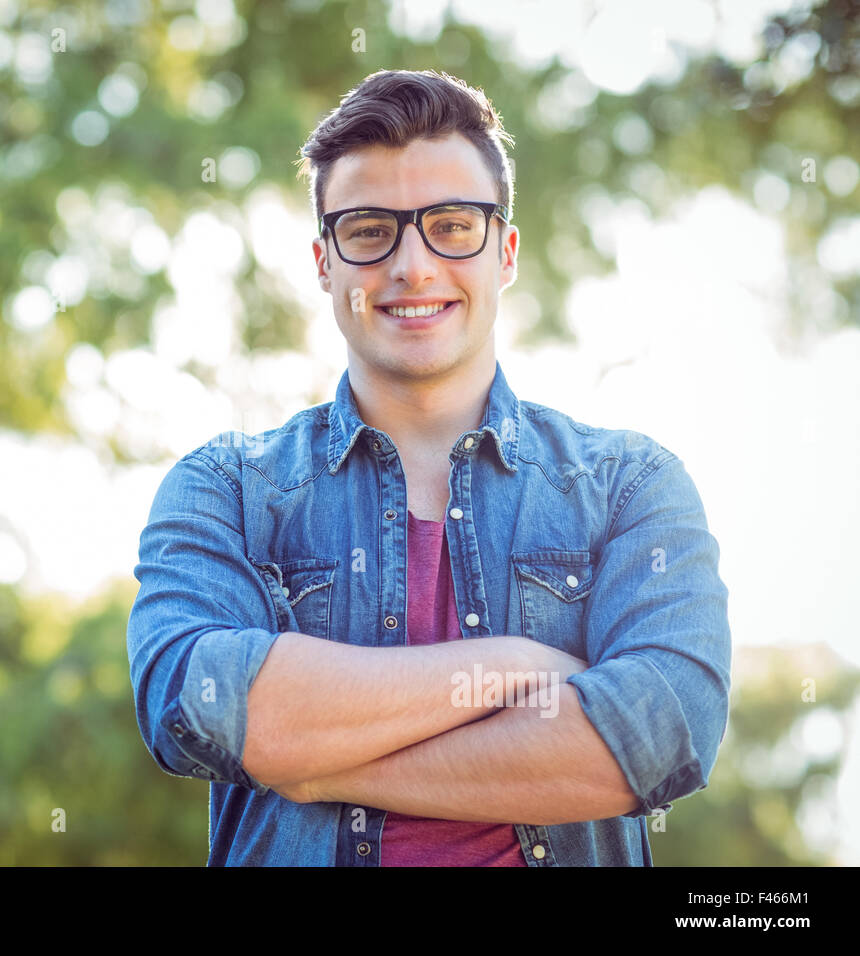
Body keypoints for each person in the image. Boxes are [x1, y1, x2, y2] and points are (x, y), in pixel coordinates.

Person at [126, 69, 731, 866]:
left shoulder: (630, 487)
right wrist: (510, 667)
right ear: (324, 263)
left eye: (451, 225)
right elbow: (200, 705)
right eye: (371, 230)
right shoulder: (226, 491)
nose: (412, 266)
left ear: (505, 252)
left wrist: (317, 762)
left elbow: (661, 732)